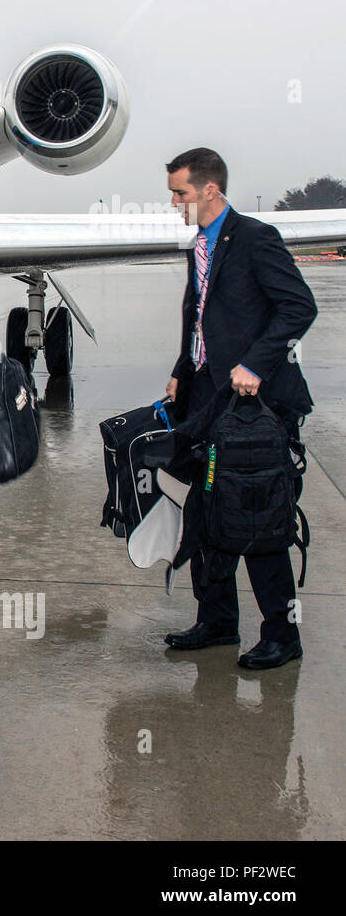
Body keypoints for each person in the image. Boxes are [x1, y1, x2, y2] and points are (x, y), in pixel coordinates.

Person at [162, 147, 316, 669]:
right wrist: (182, 372)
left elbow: (299, 306)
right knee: (208, 507)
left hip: (258, 402)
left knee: (260, 514)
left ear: (210, 190)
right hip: (209, 396)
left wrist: (254, 364)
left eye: (180, 193)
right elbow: (202, 317)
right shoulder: (198, 245)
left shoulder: (254, 238)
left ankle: (282, 634)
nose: (174, 203)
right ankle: (218, 621)